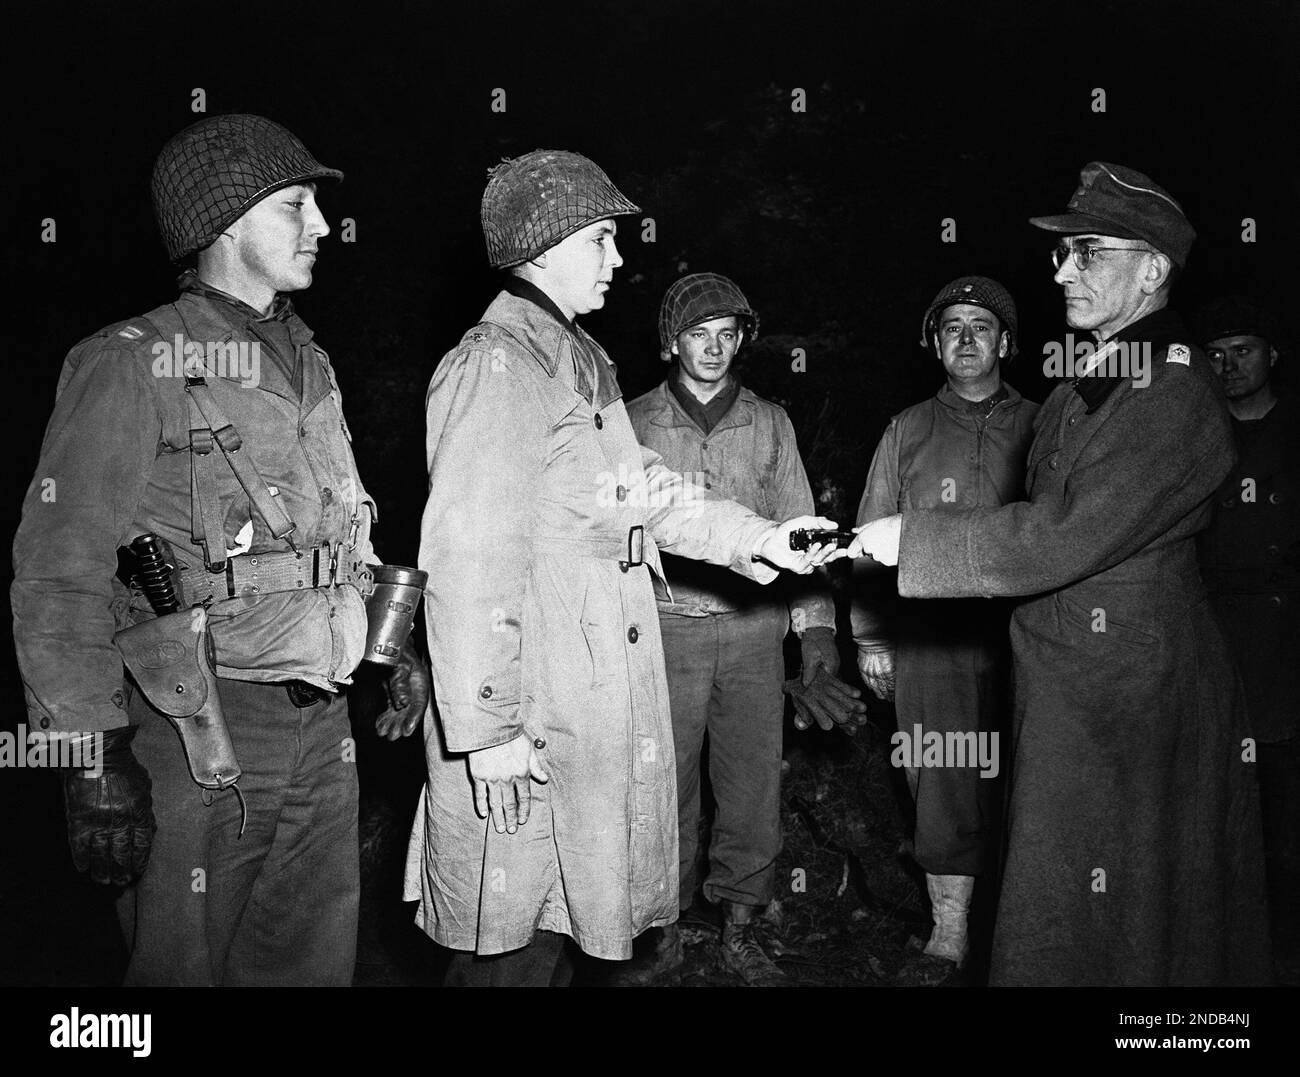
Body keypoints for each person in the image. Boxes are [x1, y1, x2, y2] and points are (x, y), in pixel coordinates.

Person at [403, 151, 843, 987]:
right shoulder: (499, 367)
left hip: (582, 699)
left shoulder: (577, 361)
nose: (619, 257)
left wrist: (761, 540)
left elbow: (650, 494)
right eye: (601, 239)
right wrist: (487, 731)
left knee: (554, 926)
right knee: (506, 937)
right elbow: (465, 559)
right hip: (526, 712)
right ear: (540, 250)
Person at [10, 114, 428, 985]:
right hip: (197, 721)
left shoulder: (308, 356)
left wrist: (394, 645)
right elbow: (59, 570)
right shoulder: (130, 361)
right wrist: (88, 755)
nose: (321, 226)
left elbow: (336, 525)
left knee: (306, 965)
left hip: (323, 718)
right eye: (295, 205)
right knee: (179, 969)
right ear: (224, 225)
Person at [850, 162, 1271, 985]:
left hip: (1130, 692)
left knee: (1126, 910)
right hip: (1082, 684)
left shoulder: (1171, 391)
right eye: (1061, 254)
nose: (1061, 271)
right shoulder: (1099, 380)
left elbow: (1062, 536)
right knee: (1079, 904)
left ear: (1153, 270)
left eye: (1088, 252)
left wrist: (916, 539)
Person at [624, 273, 863, 985]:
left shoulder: (770, 423)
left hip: (755, 632)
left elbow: (803, 532)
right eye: (699, 334)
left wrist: (815, 635)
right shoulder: (629, 423)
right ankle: (657, 931)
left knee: (751, 783)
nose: (715, 348)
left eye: (729, 335)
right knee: (662, 786)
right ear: (672, 340)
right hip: (666, 630)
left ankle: (740, 922)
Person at [851, 276, 1036, 975]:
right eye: (950, 326)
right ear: (933, 344)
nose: (965, 338)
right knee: (943, 776)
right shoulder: (907, 429)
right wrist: (871, 638)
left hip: (1026, 636)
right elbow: (868, 540)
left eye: (980, 325)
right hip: (931, 641)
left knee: (1031, 778)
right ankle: (951, 933)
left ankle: (1026, 932)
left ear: (1006, 342)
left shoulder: (1047, 423)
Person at [1195, 296, 1298, 983]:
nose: (1231, 366)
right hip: (1213, 635)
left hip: (1287, 638)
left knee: (1285, 805)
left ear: (1273, 355)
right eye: (1219, 353)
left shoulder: (1294, 433)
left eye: (1245, 350)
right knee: (1217, 801)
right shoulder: (1199, 436)